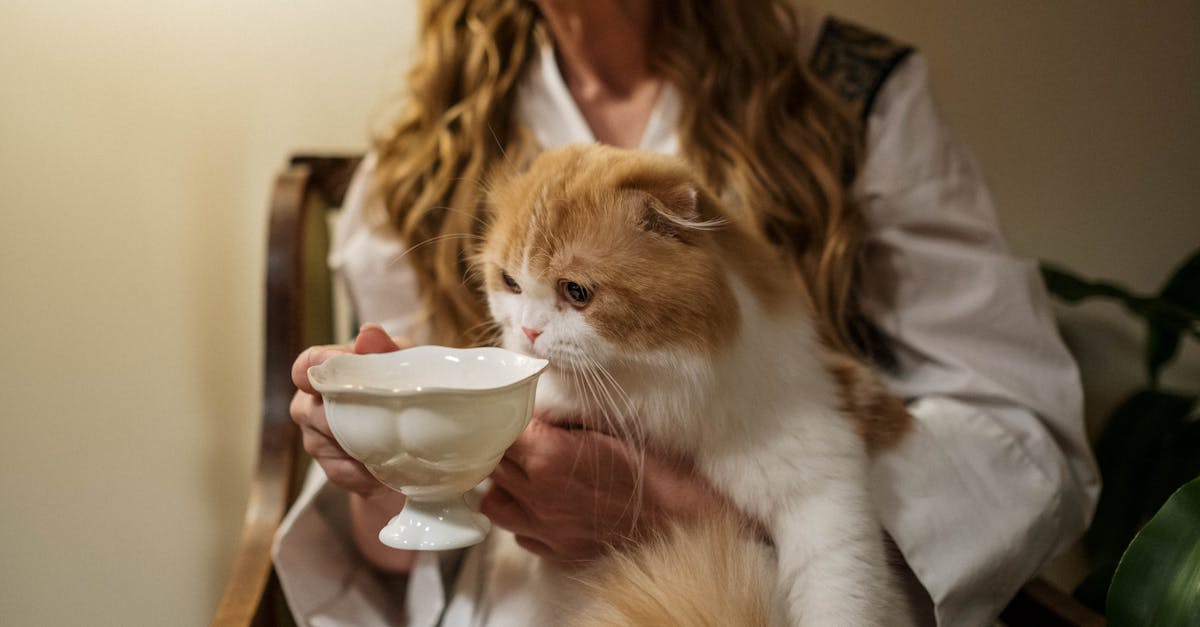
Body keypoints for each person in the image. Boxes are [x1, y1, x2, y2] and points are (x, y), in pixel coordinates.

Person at [273, 1, 1100, 625]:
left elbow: (1026, 442)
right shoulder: (424, 145)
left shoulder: (852, 91)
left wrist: (679, 508)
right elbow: (382, 540)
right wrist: (390, 457)